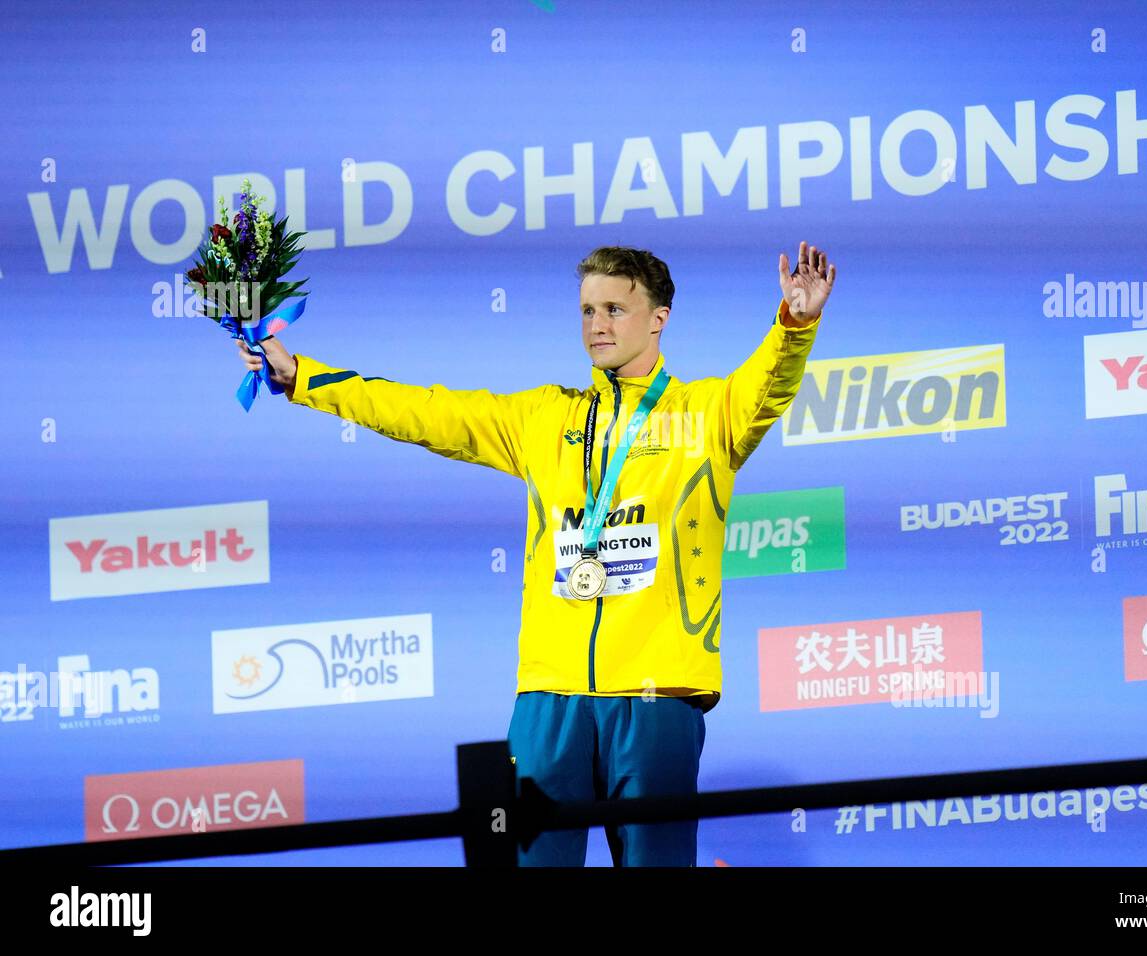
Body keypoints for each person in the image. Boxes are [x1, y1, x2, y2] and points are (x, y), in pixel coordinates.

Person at [238, 241, 835, 866]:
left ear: (658, 318)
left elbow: (767, 386)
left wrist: (794, 325)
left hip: (658, 698)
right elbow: (427, 411)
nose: (597, 326)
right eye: (586, 311)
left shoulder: (705, 414)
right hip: (550, 698)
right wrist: (304, 377)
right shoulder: (543, 417)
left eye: (614, 309)